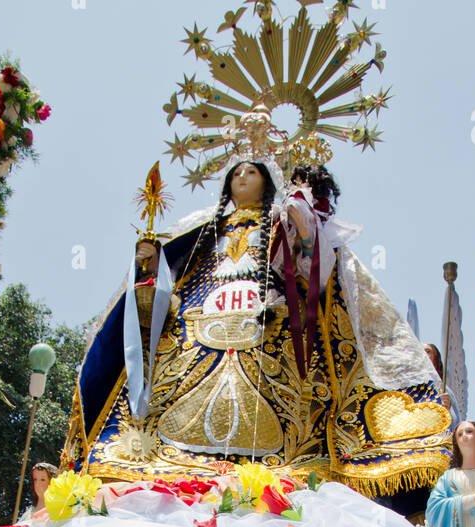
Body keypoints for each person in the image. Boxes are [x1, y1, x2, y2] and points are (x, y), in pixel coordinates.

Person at [61, 117, 450, 504]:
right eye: (237, 172)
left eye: (252, 171)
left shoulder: (283, 220)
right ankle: (165, 462)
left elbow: (314, 267)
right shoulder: (199, 230)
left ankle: (287, 466)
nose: (243, 178)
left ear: (268, 178)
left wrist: (301, 225)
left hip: (268, 334)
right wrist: (150, 267)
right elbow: (164, 283)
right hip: (200, 328)